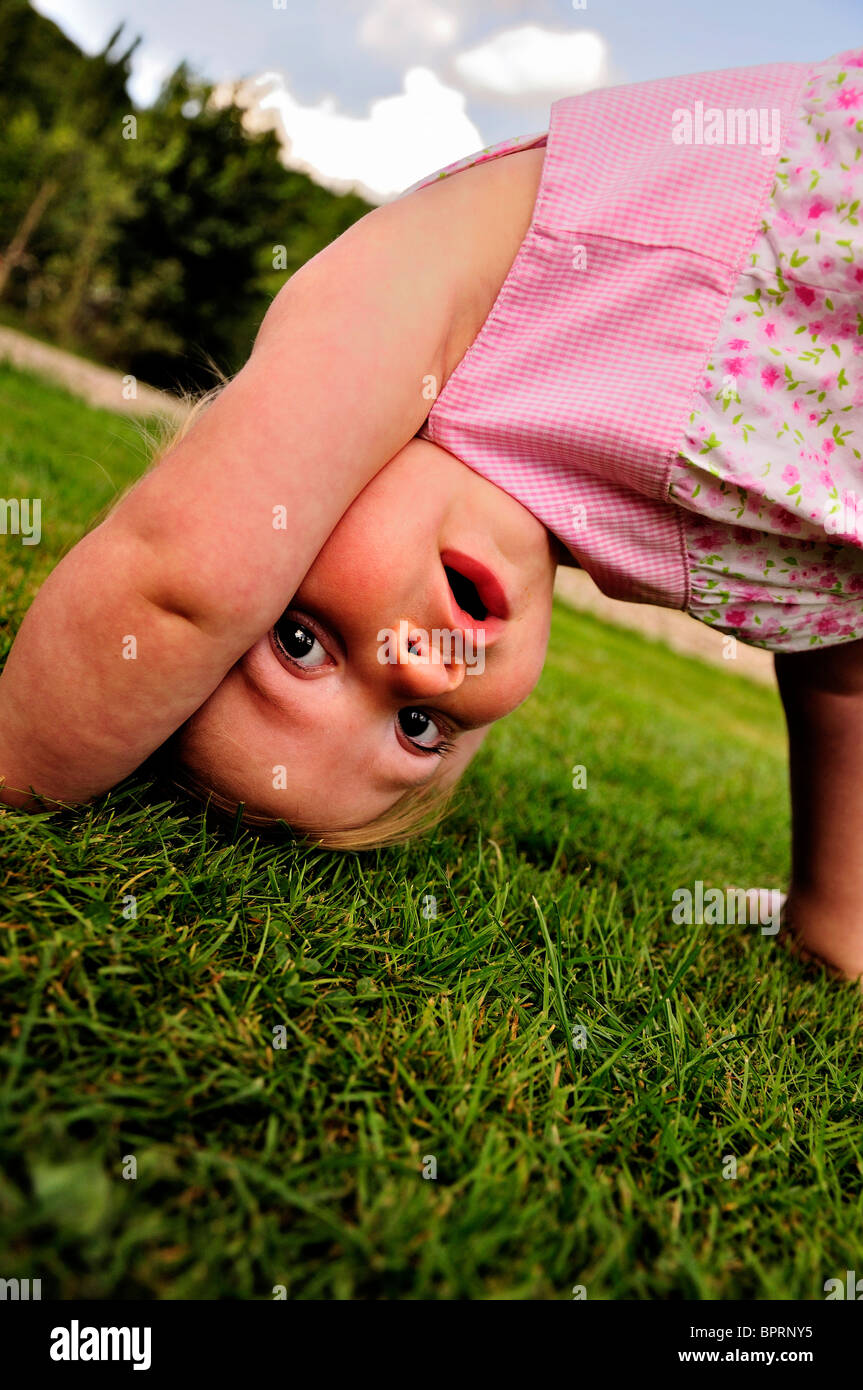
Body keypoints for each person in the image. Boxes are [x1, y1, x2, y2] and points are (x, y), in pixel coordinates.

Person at [3, 46, 863, 980]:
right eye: (418, 732)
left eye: (299, 644)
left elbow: (180, 583)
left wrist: (16, 765)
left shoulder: (410, 291)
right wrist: (837, 916)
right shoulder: (607, 507)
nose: (424, 670)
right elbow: (839, 644)